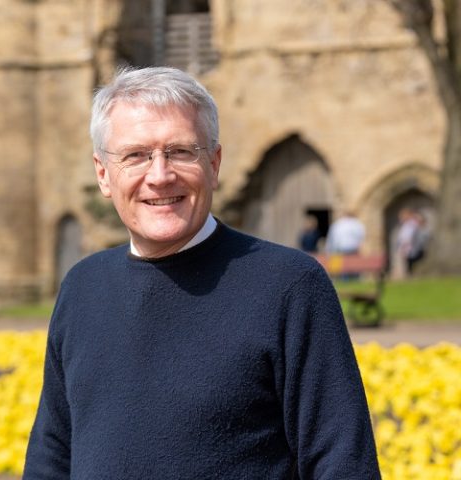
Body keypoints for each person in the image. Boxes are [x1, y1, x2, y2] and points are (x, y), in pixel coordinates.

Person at [23, 67, 380, 479]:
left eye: (180, 152)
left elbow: (342, 462)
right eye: (136, 155)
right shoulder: (82, 287)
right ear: (103, 174)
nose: (159, 175)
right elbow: (52, 451)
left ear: (213, 163)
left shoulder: (288, 286)